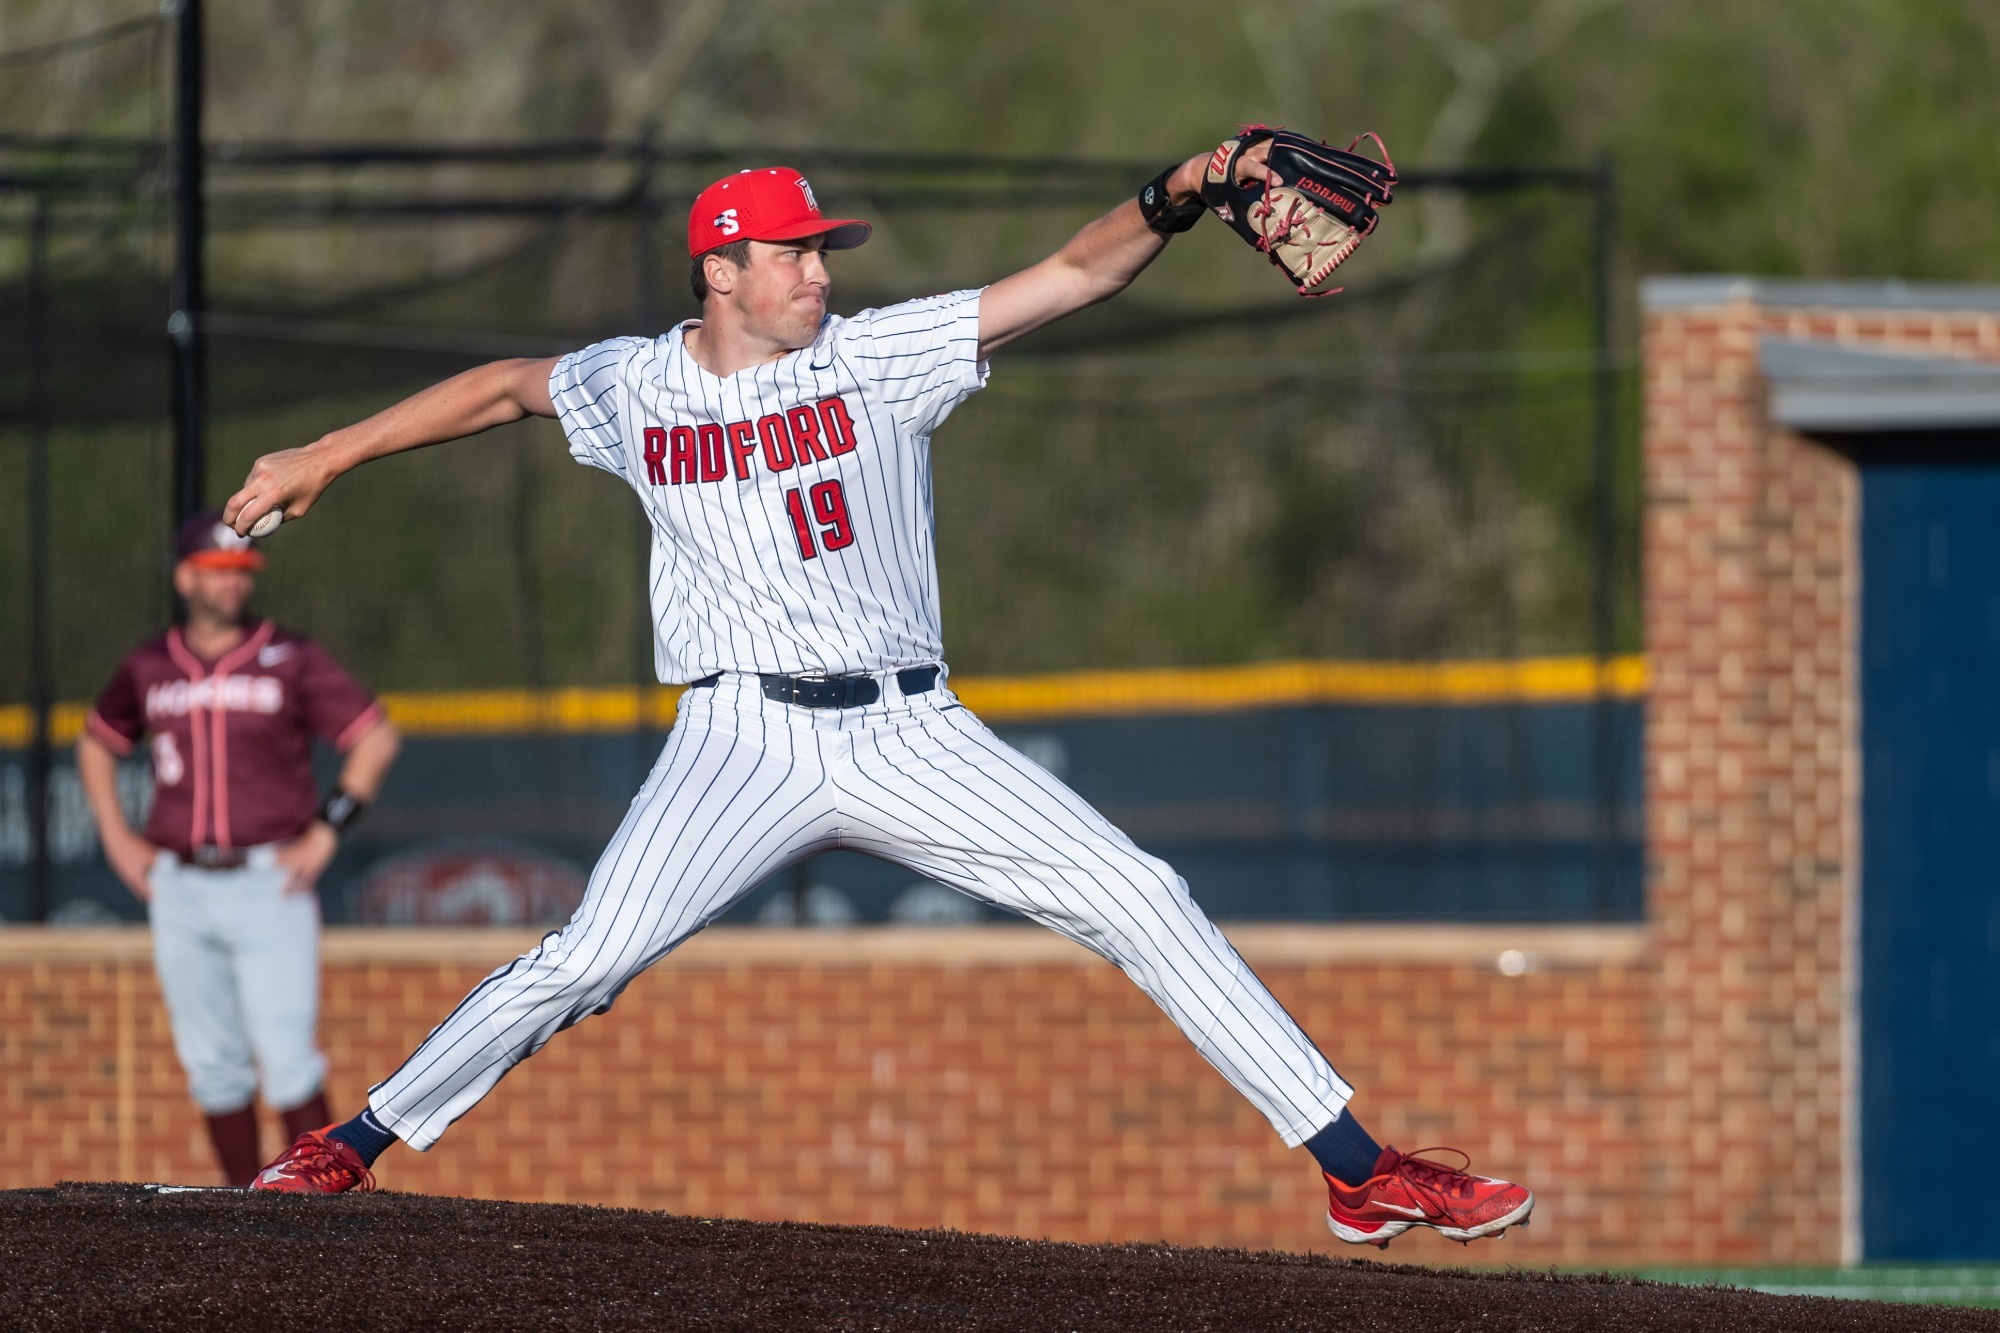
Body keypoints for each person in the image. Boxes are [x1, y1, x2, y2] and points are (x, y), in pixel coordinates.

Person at [229, 141, 1534, 1247]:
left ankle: (1357, 1169)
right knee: (585, 958)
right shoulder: (635, 384)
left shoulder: (879, 357)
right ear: (720, 271)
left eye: (822, 250)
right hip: (739, 736)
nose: (820, 270)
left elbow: (1074, 274)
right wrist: (330, 452)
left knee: (1141, 895)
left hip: (909, 729)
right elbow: (506, 389)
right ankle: (351, 1144)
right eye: (793, 252)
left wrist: (1174, 195)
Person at [76, 511, 401, 1187]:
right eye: (218, 570)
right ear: (185, 577)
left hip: (268, 878)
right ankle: (241, 1214)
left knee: (288, 1060)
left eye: (241, 571)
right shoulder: (150, 664)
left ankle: (319, 1204)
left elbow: (374, 737)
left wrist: (326, 829)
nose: (233, 584)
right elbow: (97, 743)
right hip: (179, 881)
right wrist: (116, 836)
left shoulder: (288, 655)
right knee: (213, 1064)